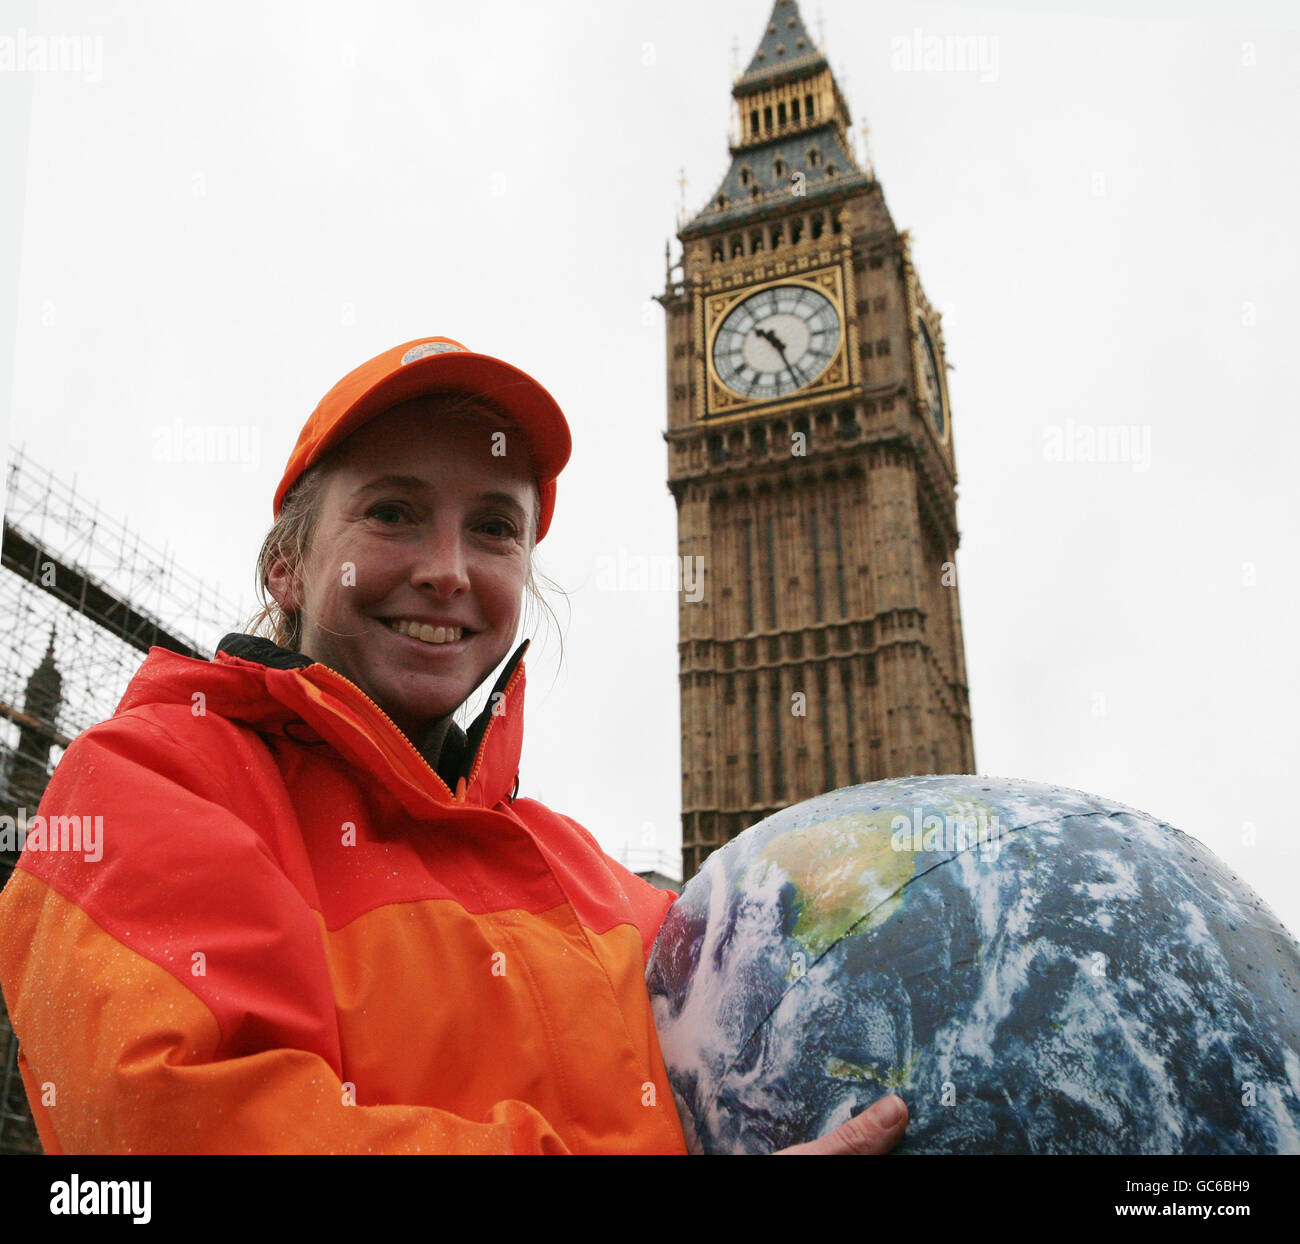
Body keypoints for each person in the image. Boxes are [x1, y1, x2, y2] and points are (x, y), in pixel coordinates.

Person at [0, 336, 908, 1154]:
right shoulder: (152, 782)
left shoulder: (596, 884)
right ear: (287, 564)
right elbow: (175, 1130)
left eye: (494, 529)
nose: (447, 570)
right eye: (392, 512)